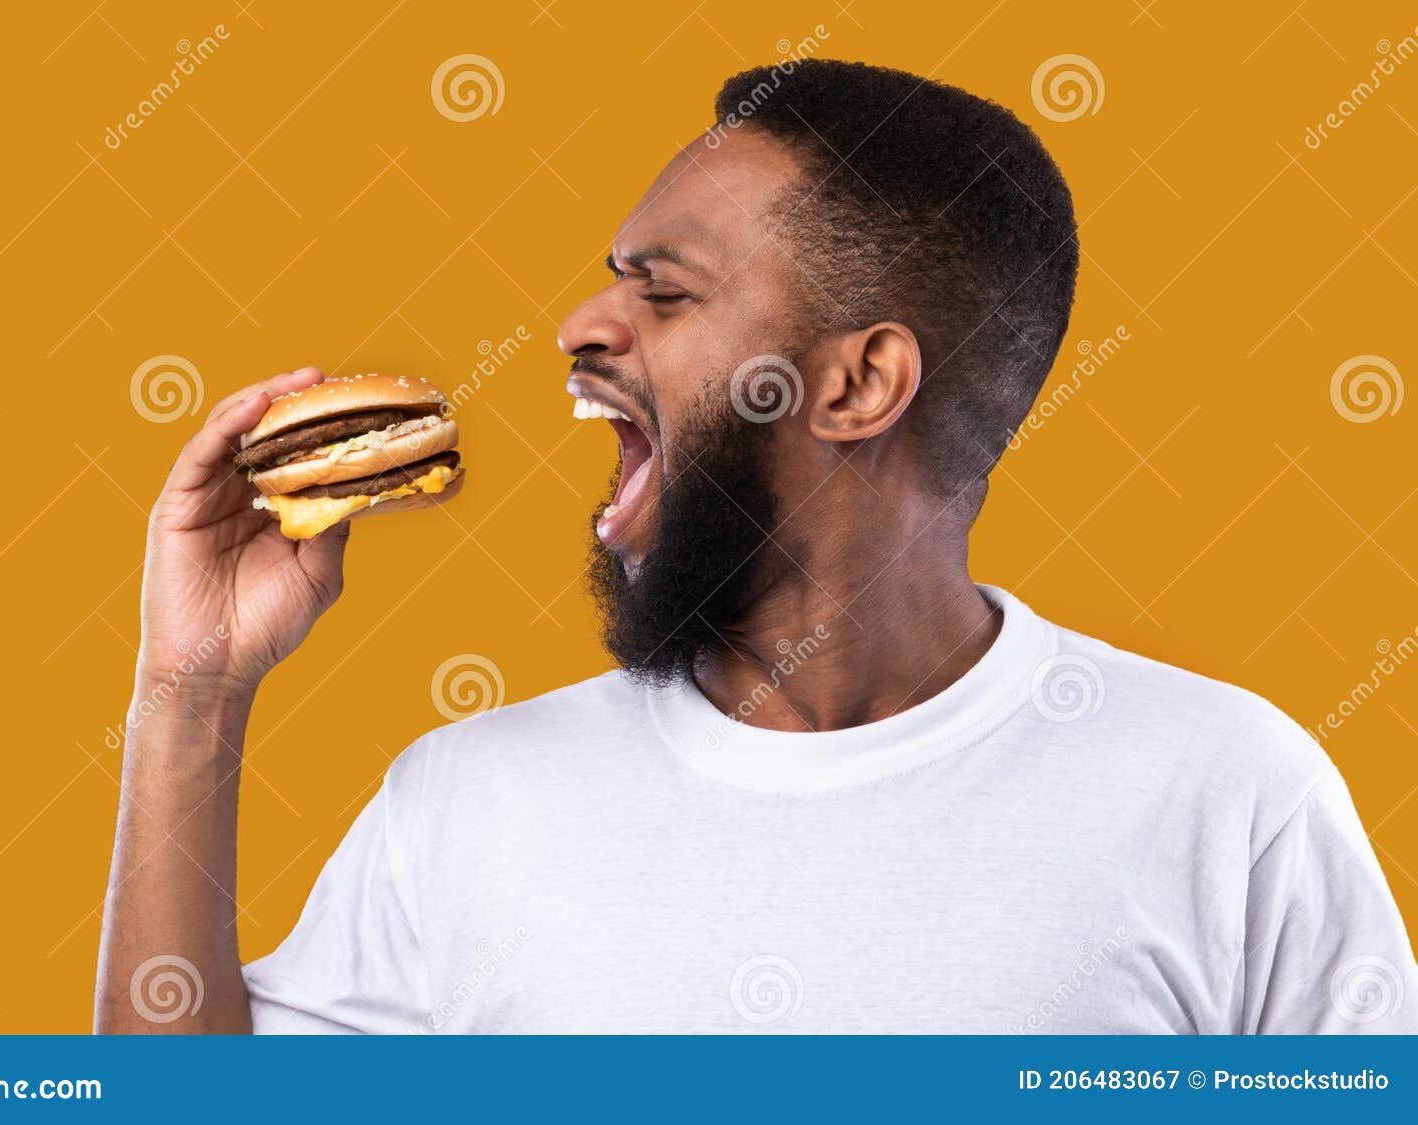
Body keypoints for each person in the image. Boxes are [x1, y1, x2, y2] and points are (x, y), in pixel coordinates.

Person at [95, 59, 1417, 1033]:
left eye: (665, 292)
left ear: (858, 384)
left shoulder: (1229, 794)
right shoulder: (470, 803)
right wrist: (188, 689)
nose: (581, 325)